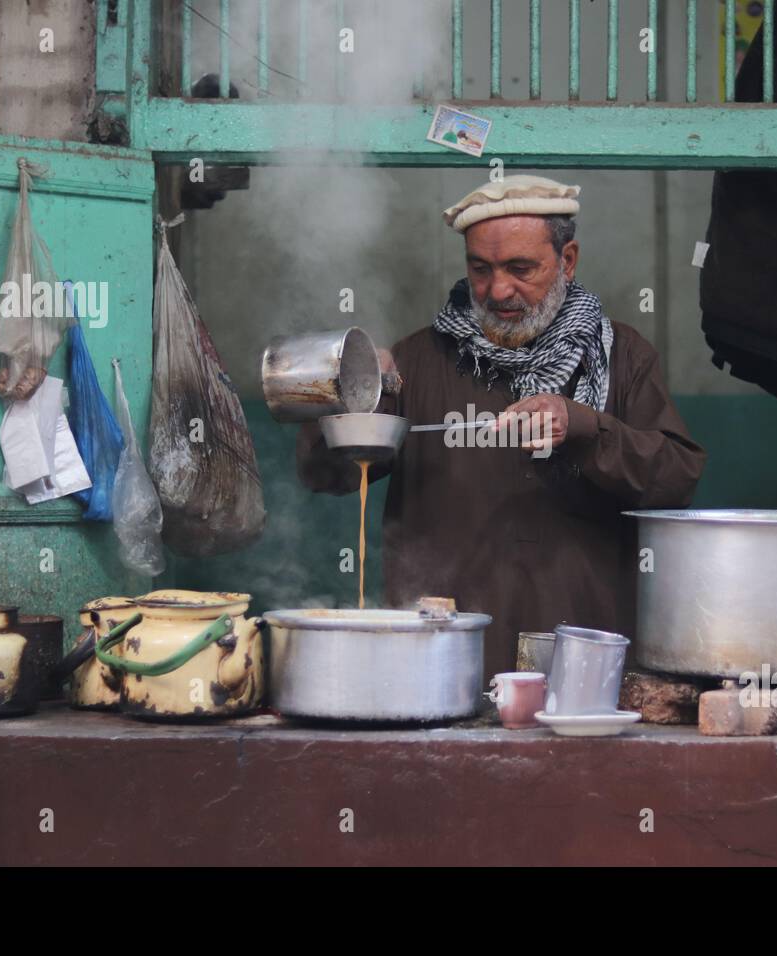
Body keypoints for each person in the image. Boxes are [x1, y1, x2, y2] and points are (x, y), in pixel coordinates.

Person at [298, 175, 705, 677]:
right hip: (441, 662)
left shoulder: (622, 357)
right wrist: (359, 397)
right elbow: (324, 473)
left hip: (583, 664)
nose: (497, 289)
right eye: (480, 268)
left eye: (520, 268)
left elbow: (676, 478)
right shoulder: (417, 362)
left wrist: (582, 425)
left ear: (568, 260)